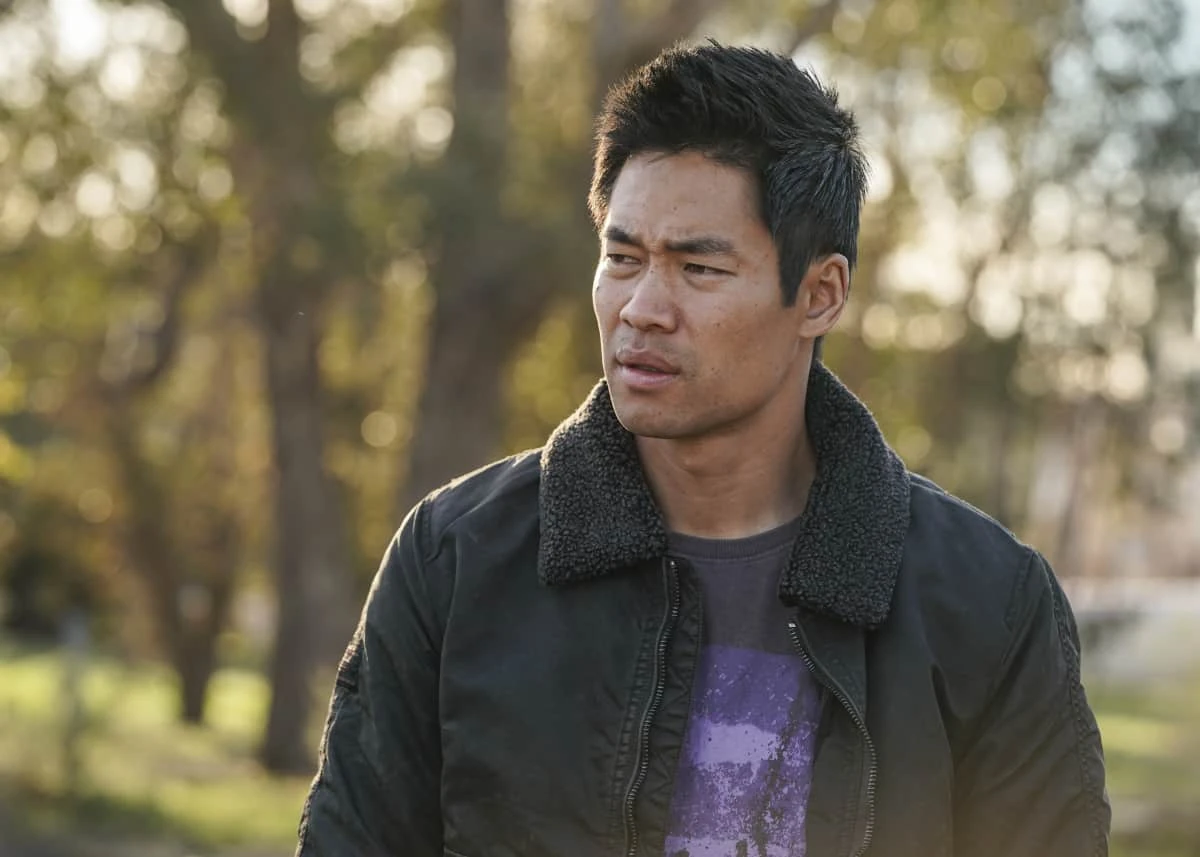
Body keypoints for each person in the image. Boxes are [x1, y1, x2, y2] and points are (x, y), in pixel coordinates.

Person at [296, 41, 1109, 857]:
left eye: (698, 268)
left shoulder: (986, 604)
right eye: (623, 259)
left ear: (819, 295)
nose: (642, 308)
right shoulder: (457, 563)